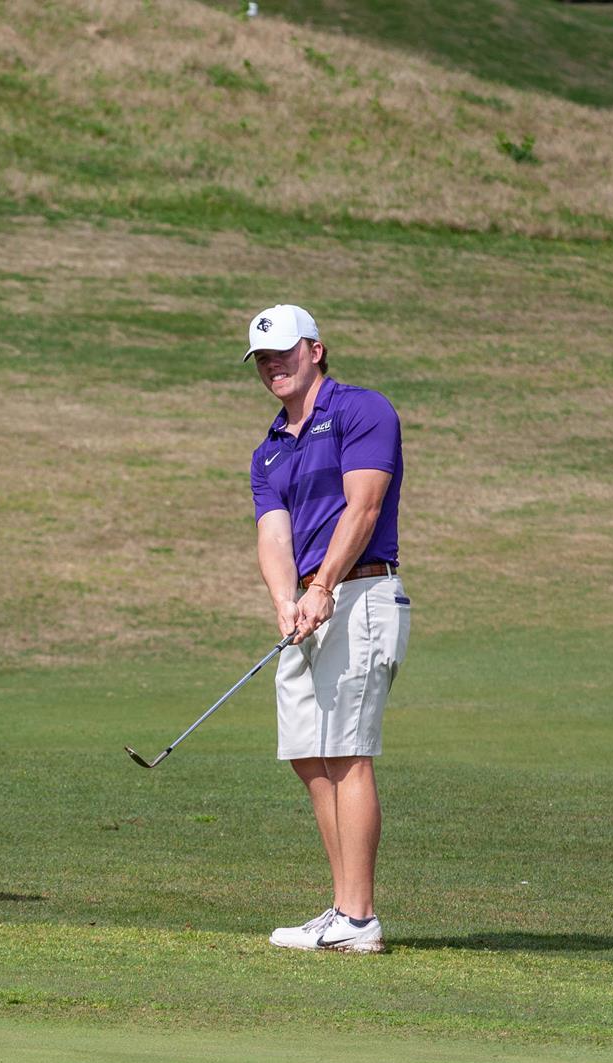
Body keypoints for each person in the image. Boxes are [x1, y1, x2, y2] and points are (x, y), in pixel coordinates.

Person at [244, 304, 409, 954]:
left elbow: (364, 506)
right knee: (310, 754)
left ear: (316, 348)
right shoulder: (268, 451)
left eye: (283, 350)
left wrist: (323, 587)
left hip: (362, 591)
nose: (273, 365)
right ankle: (342, 907)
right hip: (308, 607)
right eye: (262, 358)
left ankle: (360, 916)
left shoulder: (364, 411)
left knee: (347, 751)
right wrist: (288, 599)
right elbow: (272, 534)